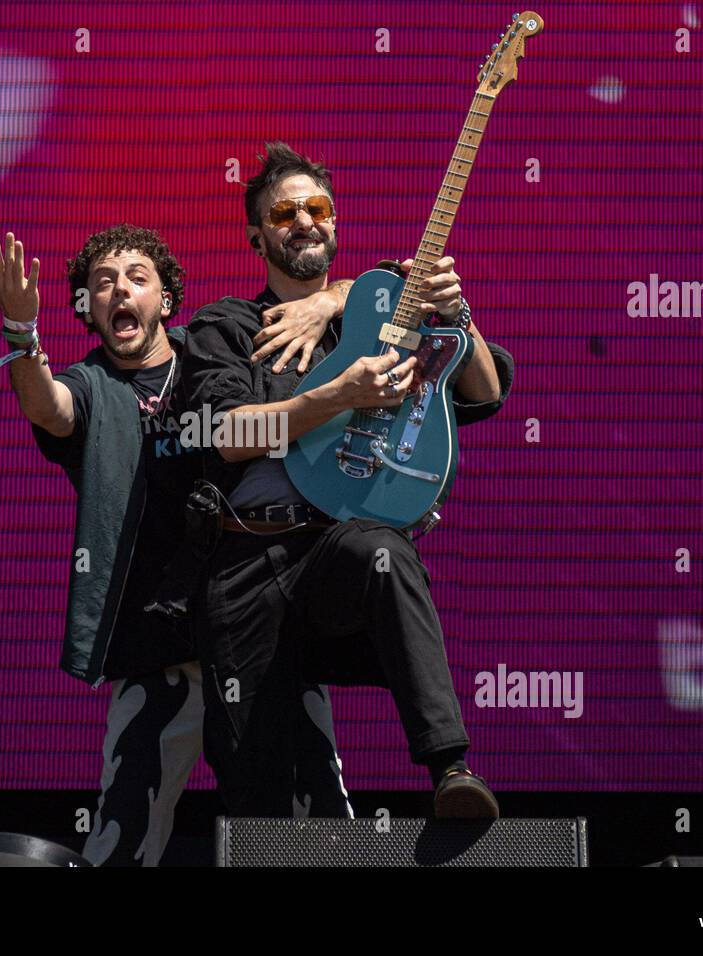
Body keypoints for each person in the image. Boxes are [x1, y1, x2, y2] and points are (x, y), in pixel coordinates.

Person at [0, 224, 353, 865]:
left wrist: (333, 295)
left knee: (320, 836)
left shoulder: (215, 356)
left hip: (259, 631)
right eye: (103, 283)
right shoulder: (91, 384)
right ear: (87, 309)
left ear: (167, 300)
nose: (121, 290)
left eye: (137, 278)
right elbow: (48, 408)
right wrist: (19, 332)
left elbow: (341, 300)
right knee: (118, 842)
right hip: (158, 648)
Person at [181, 143, 517, 818]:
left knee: (385, 553)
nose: (304, 221)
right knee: (259, 798)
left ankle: (450, 768)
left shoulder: (380, 313)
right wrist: (335, 397)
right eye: (284, 212)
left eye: (318, 208)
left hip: (337, 551)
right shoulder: (226, 325)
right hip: (250, 561)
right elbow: (224, 436)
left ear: (336, 223)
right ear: (256, 236)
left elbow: (485, 390)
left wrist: (457, 315)